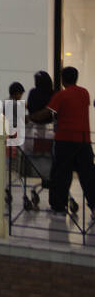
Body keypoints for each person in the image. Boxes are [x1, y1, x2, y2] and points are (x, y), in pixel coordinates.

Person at [29, 66, 95, 218]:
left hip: (65, 141)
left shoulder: (61, 95)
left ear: (63, 79)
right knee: (88, 176)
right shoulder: (85, 93)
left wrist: (31, 117)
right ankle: (94, 208)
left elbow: (48, 113)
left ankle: (59, 208)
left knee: (61, 175)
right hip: (84, 140)